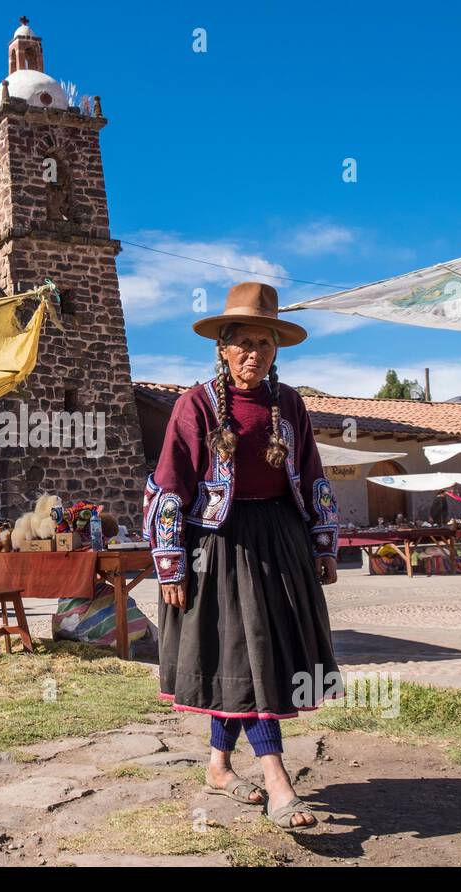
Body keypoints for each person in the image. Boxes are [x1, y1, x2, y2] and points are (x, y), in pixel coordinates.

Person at [143, 281, 342, 830]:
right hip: (219, 547)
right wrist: (171, 564)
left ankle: (218, 764)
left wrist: (323, 543)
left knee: (255, 657)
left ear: (276, 350)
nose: (255, 354)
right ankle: (278, 780)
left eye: (265, 343)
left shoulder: (290, 404)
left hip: (280, 543)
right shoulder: (195, 405)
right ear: (223, 347)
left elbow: (313, 474)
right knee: (247, 657)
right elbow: (168, 486)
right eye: (244, 343)